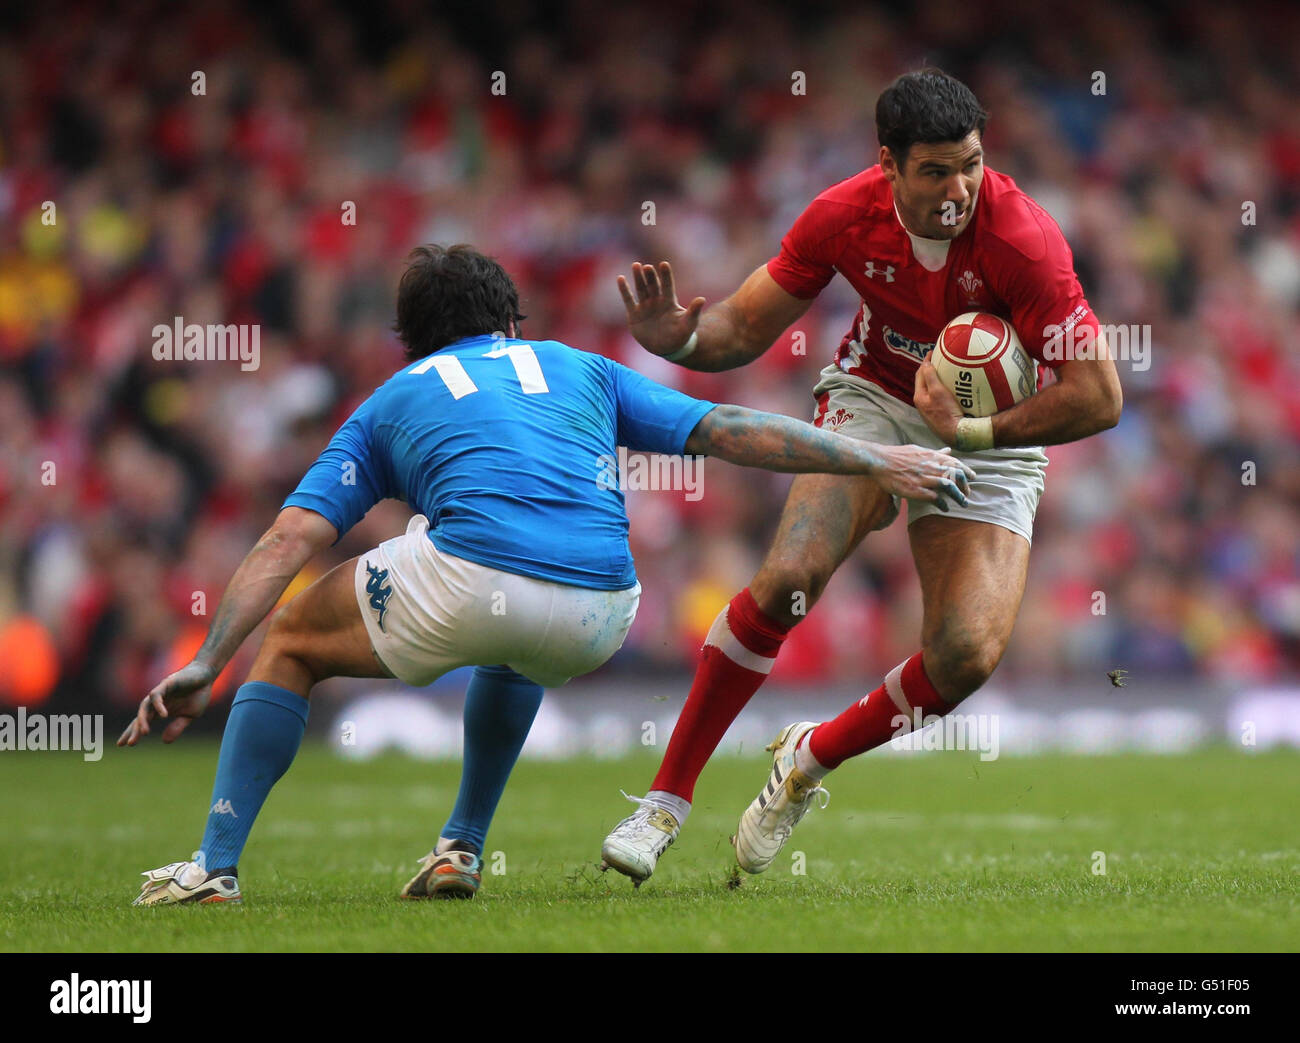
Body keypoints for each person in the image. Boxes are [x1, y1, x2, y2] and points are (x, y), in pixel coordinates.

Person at [118, 243, 972, 904]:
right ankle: (460, 847)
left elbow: (286, 539)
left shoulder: (394, 395)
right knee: (513, 642)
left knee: (296, 638)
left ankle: (214, 866)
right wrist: (873, 457)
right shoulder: (581, 366)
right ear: (512, 320)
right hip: (604, 608)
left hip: (476, 581)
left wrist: (209, 659)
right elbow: (729, 427)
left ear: (411, 340)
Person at [600, 67, 1122, 884]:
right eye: (936, 170)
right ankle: (663, 803)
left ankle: (809, 759)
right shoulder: (843, 216)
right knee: (789, 578)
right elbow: (741, 326)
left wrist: (973, 430)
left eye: (972, 164)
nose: (958, 188)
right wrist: (683, 343)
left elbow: (1099, 394)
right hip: (875, 396)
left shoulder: (1024, 237)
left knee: (963, 656)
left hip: (991, 431)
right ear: (888, 163)